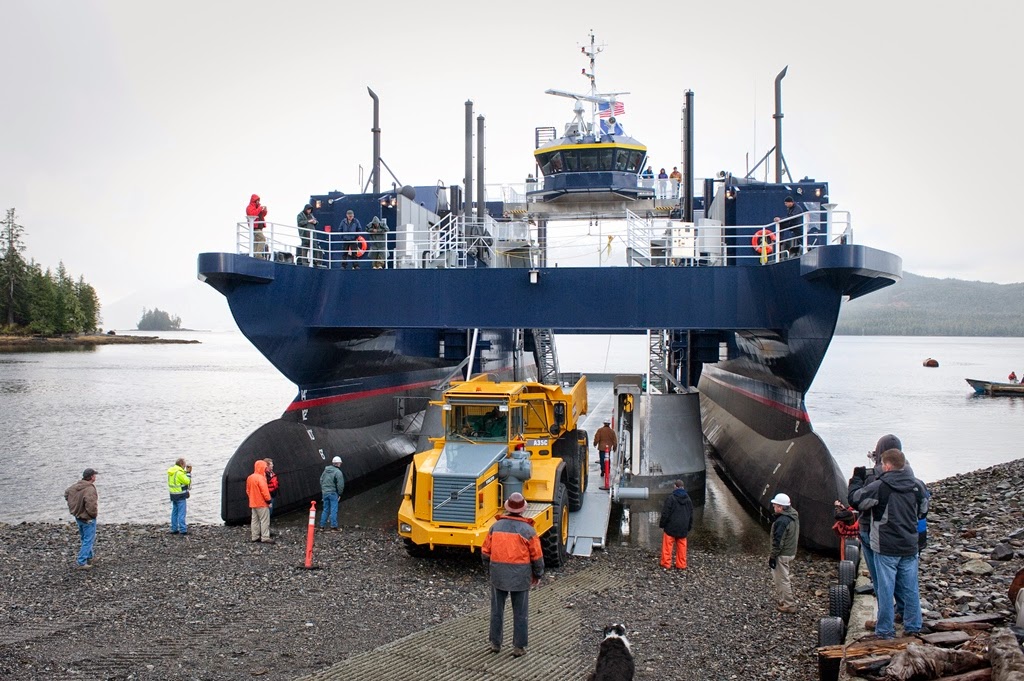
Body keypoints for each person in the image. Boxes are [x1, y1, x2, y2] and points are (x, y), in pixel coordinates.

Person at [848, 448, 927, 640]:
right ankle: (913, 625)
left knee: (885, 589)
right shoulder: (918, 486)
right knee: (910, 588)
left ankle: (885, 630)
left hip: (885, 547)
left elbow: (856, 500)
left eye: (883, 464)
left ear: (888, 466)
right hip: (909, 546)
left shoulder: (880, 487)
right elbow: (923, 511)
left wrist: (856, 480)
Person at [482, 492, 544, 658]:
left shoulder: (495, 527)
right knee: (520, 613)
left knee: (496, 611)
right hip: (520, 577)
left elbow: (485, 552)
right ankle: (519, 647)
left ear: (507, 507)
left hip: (498, 575)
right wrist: (538, 574)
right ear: (523, 510)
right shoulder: (528, 530)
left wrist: (489, 570)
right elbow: (537, 556)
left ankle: (495, 643)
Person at [768, 492, 799, 613]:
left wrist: (772, 556)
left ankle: (788, 604)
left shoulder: (782, 521)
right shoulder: (793, 515)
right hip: (791, 551)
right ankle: (783, 599)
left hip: (782, 554)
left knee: (782, 578)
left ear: (781, 507)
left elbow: (778, 541)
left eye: (775, 505)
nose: (774, 508)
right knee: (780, 577)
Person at [65, 468, 100, 570]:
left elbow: (67, 493)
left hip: (78, 516)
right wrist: (93, 515)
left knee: (85, 537)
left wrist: (74, 505)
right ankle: (81, 561)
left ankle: (90, 556)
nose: (95, 477)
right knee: (88, 539)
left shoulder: (76, 486)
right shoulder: (90, 489)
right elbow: (91, 504)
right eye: (94, 475)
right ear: (91, 477)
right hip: (87, 518)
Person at [658, 480, 693, 569]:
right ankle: (681, 564)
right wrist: (688, 526)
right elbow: (691, 514)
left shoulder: (671, 498)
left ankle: (666, 563)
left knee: (667, 545)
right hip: (683, 527)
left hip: (671, 526)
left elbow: (665, 513)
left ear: (675, 487)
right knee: (682, 546)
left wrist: (662, 524)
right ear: (683, 487)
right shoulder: (688, 499)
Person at [246, 459, 273, 543]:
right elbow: (265, 491)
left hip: (253, 503)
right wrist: (269, 501)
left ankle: (255, 536)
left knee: (254, 520)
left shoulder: (250, 477)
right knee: (265, 520)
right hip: (262, 503)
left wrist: (252, 498)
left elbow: (247, 490)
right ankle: (265, 537)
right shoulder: (261, 478)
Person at [166, 458, 192, 535]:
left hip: (173, 494)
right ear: (181, 464)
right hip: (180, 495)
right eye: (184, 464)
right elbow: (187, 481)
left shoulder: (171, 472)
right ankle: (183, 529)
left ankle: (174, 528)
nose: (184, 466)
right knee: (182, 512)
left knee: (174, 512)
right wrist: (188, 473)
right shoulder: (179, 473)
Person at [319, 456, 345, 530]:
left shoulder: (325, 471)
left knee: (325, 509)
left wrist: (324, 490)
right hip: (333, 493)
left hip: (325, 493)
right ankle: (333, 526)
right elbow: (340, 484)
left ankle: (322, 526)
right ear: (338, 463)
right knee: (334, 509)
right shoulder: (338, 472)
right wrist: (340, 494)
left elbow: (321, 480)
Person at [593, 420, 617, 488]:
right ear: (609, 424)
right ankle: (607, 470)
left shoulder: (600, 430)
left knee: (602, 459)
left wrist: (595, 443)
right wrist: (614, 447)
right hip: (608, 448)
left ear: (604, 423)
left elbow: (597, 438)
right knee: (607, 459)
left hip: (601, 448)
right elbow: (614, 440)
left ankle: (602, 470)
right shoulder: (612, 432)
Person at [246, 194, 269, 260]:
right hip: (255, 228)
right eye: (257, 200)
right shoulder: (249, 207)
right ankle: (258, 255)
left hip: (259, 228)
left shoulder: (257, 207)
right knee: (262, 239)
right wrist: (259, 209)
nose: (258, 202)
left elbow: (262, 215)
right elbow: (252, 214)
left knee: (257, 241)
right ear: (254, 200)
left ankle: (255, 255)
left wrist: (264, 210)